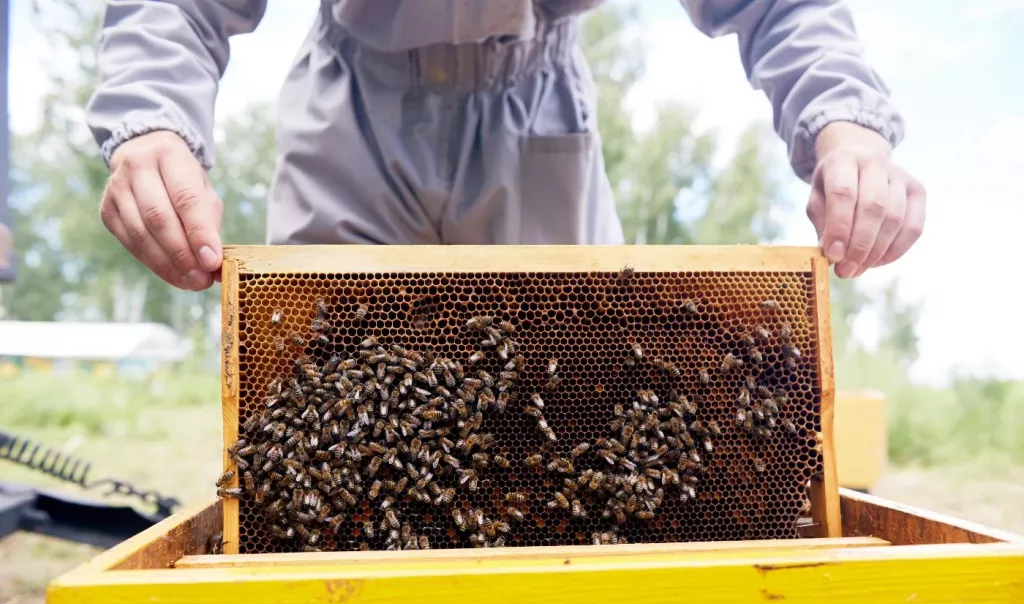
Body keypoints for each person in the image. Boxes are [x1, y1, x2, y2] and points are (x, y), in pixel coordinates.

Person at [86, 0, 925, 292]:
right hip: (353, 111)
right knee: (321, 387)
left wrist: (844, 119)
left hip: (536, 109)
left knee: (569, 407)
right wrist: (151, 120)